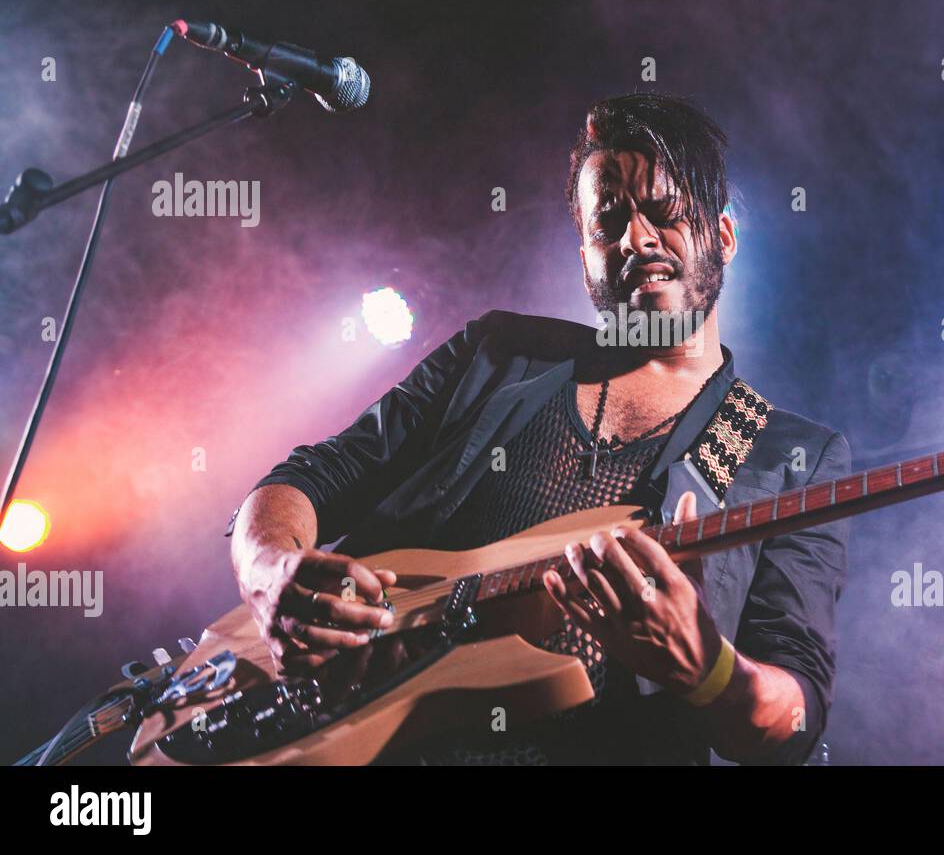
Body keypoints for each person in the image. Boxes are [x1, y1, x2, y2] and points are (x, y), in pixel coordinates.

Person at [229, 92, 851, 764]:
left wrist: (708, 668)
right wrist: (267, 567)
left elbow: (794, 720)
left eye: (665, 213)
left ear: (721, 237)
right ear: (584, 256)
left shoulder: (787, 455)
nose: (636, 240)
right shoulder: (495, 354)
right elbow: (313, 476)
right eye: (607, 223)